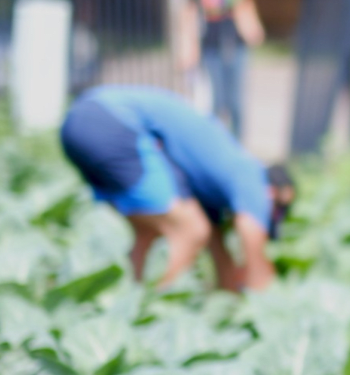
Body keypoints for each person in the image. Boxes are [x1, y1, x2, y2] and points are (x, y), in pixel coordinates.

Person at [58, 85, 295, 292]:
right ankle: (157, 310)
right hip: (114, 121)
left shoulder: (215, 186)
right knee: (192, 229)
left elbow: (219, 251)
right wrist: (264, 290)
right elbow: (253, 248)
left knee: (147, 232)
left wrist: (229, 292)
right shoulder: (251, 175)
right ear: (272, 194)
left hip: (82, 118)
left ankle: (128, 305)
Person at [181, 0, 265, 138]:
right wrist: (188, 49)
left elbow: (245, 5)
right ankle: (218, 143)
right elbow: (189, 13)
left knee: (236, 101)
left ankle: (237, 144)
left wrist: (253, 29)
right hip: (210, 44)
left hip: (235, 43)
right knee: (218, 101)